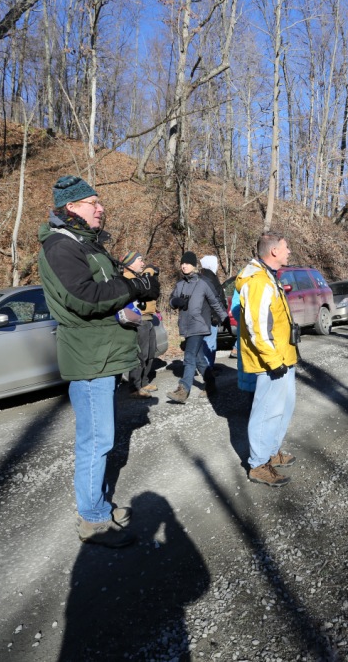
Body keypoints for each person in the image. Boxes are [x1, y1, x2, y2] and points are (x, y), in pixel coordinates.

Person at [38, 175, 159, 548]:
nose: (101, 207)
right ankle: (92, 520)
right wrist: (133, 286)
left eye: (99, 202)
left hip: (102, 355)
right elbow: (86, 298)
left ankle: (100, 506)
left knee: (102, 439)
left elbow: (103, 295)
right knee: (96, 441)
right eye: (93, 202)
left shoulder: (83, 244)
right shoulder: (61, 245)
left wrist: (129, 294)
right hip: (89, 359)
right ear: (71, 207)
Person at [237, 232, 298, 487]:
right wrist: (273, 360)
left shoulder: (270, 277)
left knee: (283, 408)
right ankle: (258, 464)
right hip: (271, 360)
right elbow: (257, 326)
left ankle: (272, 452)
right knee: (266, 412)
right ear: (273, 251)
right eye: (286, 247)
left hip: (284, 356)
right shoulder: (258, 281)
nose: (289, 251)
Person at [167, 251, 228, 404]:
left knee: (189, 356)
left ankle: (183, 389)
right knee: (199, 358)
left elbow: (215, 302)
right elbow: (170, 300)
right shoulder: (180, 285)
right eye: (182, 263)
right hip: (186, 325)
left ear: (194, 266)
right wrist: (175, 302)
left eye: (187, 263)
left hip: (200, 324)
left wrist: (225, 318)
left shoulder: (203, 283)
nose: (183, 266)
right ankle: (211, 384)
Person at [121, 253, 161, 396]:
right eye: (140, 260)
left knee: (150, 353)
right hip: (138, 320)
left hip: (148, 319)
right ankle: (134, 387)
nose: (143, 263)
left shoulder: (138, 278)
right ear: (130, 263)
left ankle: (144, 382)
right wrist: (148, 275)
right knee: (140, 355)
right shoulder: (127, 279)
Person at [198, 254, 224, 371]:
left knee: (205, 343)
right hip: (210, 317)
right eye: (216, 263)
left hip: (204, 316)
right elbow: (213, 299)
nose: (218, 266)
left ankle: (207, 367)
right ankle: (207, 369)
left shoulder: (202, 277)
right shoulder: (210, 279)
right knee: (209, 344)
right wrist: (216, 315)